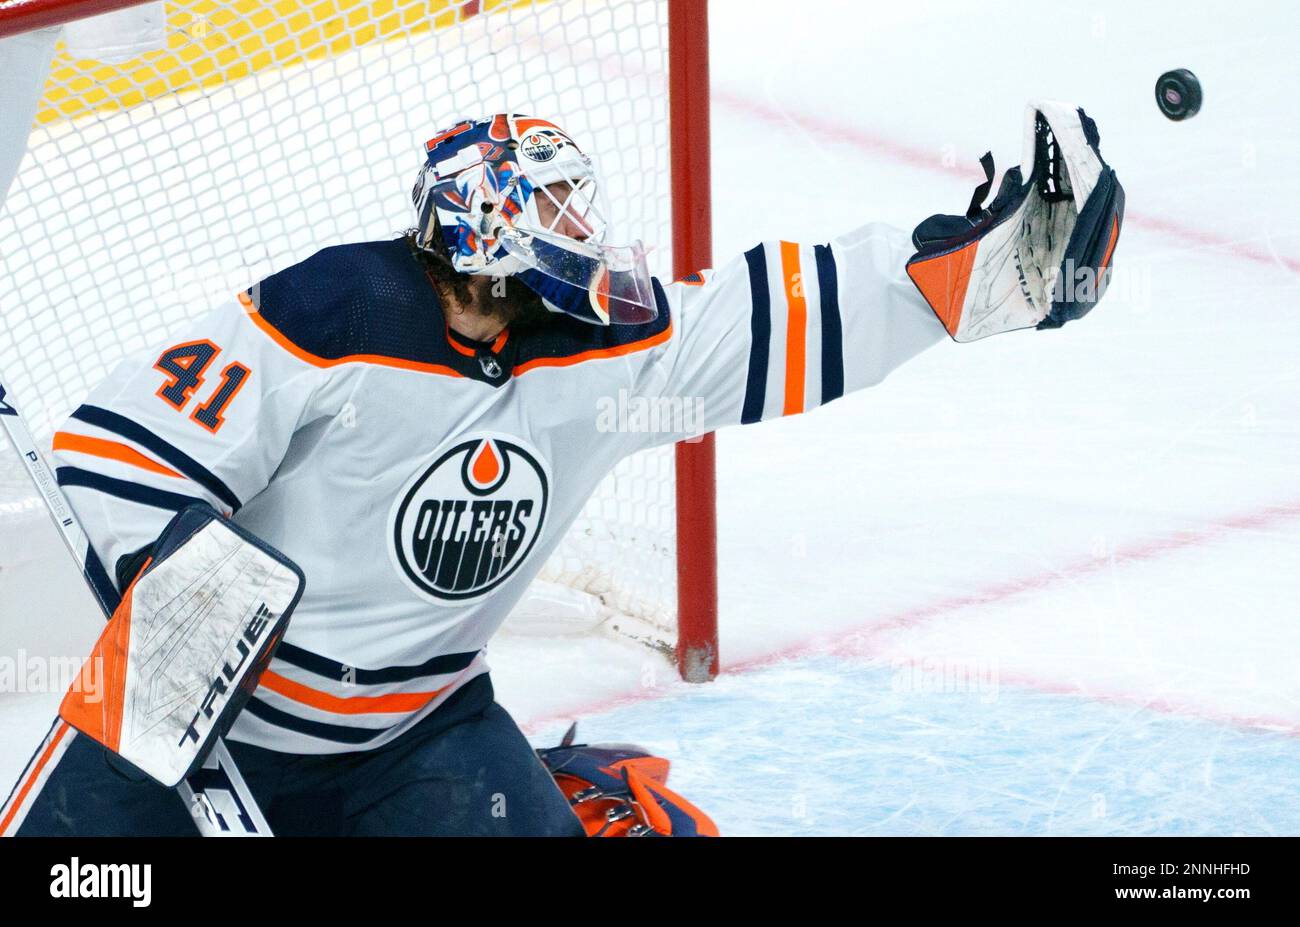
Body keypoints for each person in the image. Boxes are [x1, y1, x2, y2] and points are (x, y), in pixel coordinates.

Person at [3, 107, 1123, 836]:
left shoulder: (604, 353)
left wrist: (974, 276)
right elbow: (114, 448)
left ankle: (558, 793)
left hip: (415, 737)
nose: (582, 227)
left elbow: (773, 319)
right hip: (166, 722)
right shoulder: (332, 312)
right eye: (553, 204)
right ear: (484, 226)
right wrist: (179, 592)